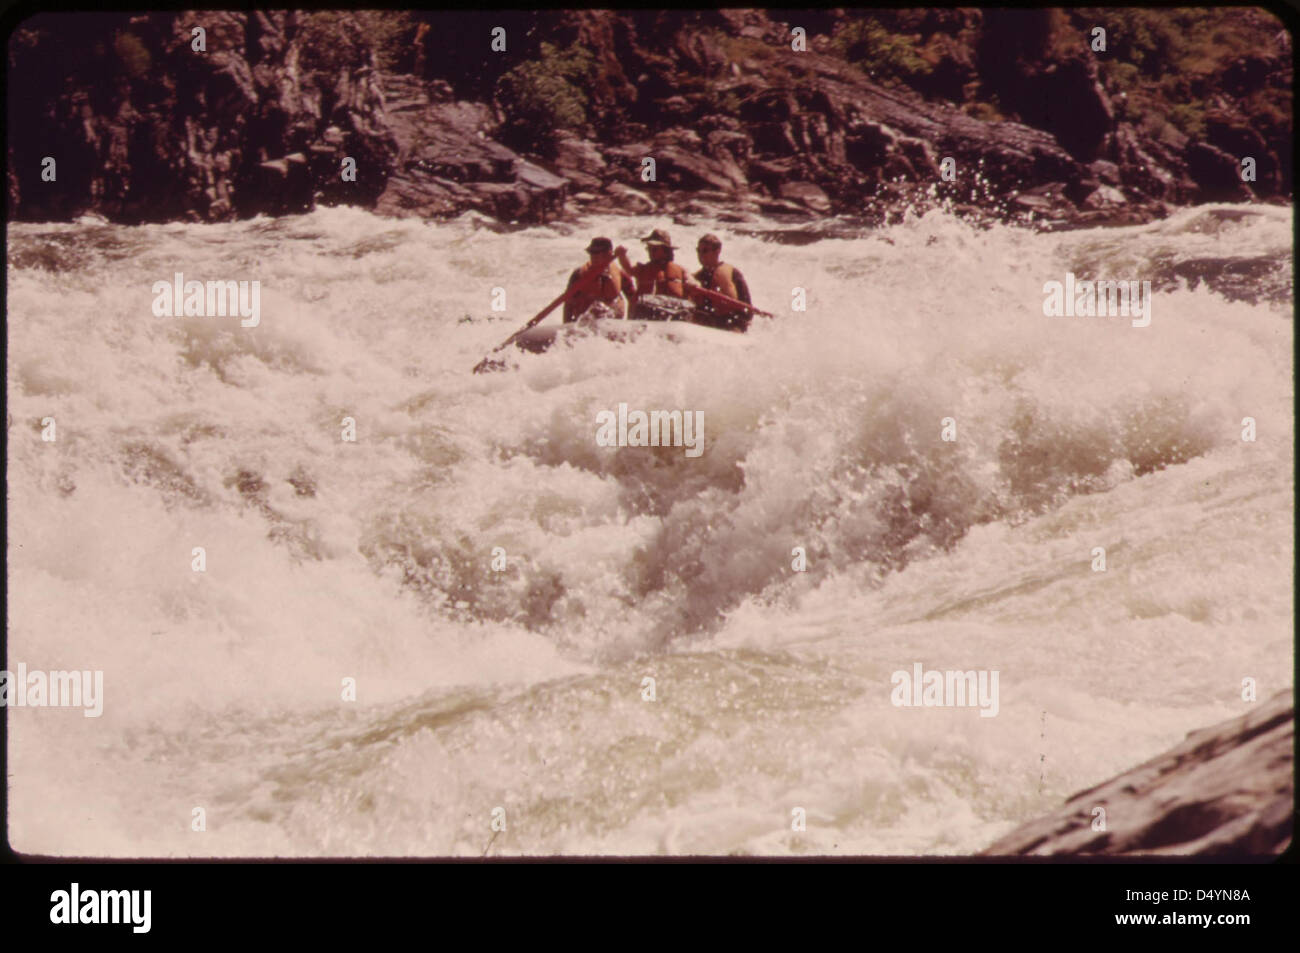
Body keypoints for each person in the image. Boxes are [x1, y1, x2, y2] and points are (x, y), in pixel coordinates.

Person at [690, 233, 755, 331]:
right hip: (705, 326)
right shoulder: (696, 277)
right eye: (698, 250)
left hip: (729, 324)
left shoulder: (733, 273)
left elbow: (748, 309)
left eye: (705, 251)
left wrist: (739, 326)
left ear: (717, 251)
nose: (700, 254)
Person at [563, 237, 634, 322]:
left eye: (597, 253)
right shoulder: (579, 274)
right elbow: (568, 304)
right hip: (585, 324)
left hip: (612, 322)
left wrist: (630, 321)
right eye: (592, 253)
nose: (594, 256)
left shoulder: (619, 273)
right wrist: (566, 325)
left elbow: (632, 299)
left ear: (608, 254)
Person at [614, 229, 689, 299]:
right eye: (649, 249)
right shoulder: (642, 269)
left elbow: (692, 284)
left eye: (654, 249)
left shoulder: (681, 270)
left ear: (666, 250)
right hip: (647, 310)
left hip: (674, 309)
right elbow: (629, 269)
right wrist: (622, 255)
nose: (651, 252)